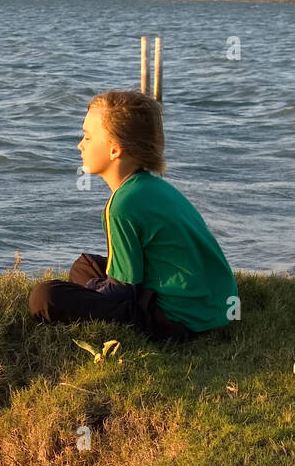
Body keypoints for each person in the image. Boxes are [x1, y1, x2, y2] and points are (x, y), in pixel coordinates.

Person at [29, 90, 238, 342]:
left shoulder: (123, 204)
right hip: (211, 307)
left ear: (115, 150)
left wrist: (94, 290)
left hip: (178, 320)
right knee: (84, 266)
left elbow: (122, 291)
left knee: (45, 297)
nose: (80, 145)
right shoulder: (154, 186)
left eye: (87, 137)